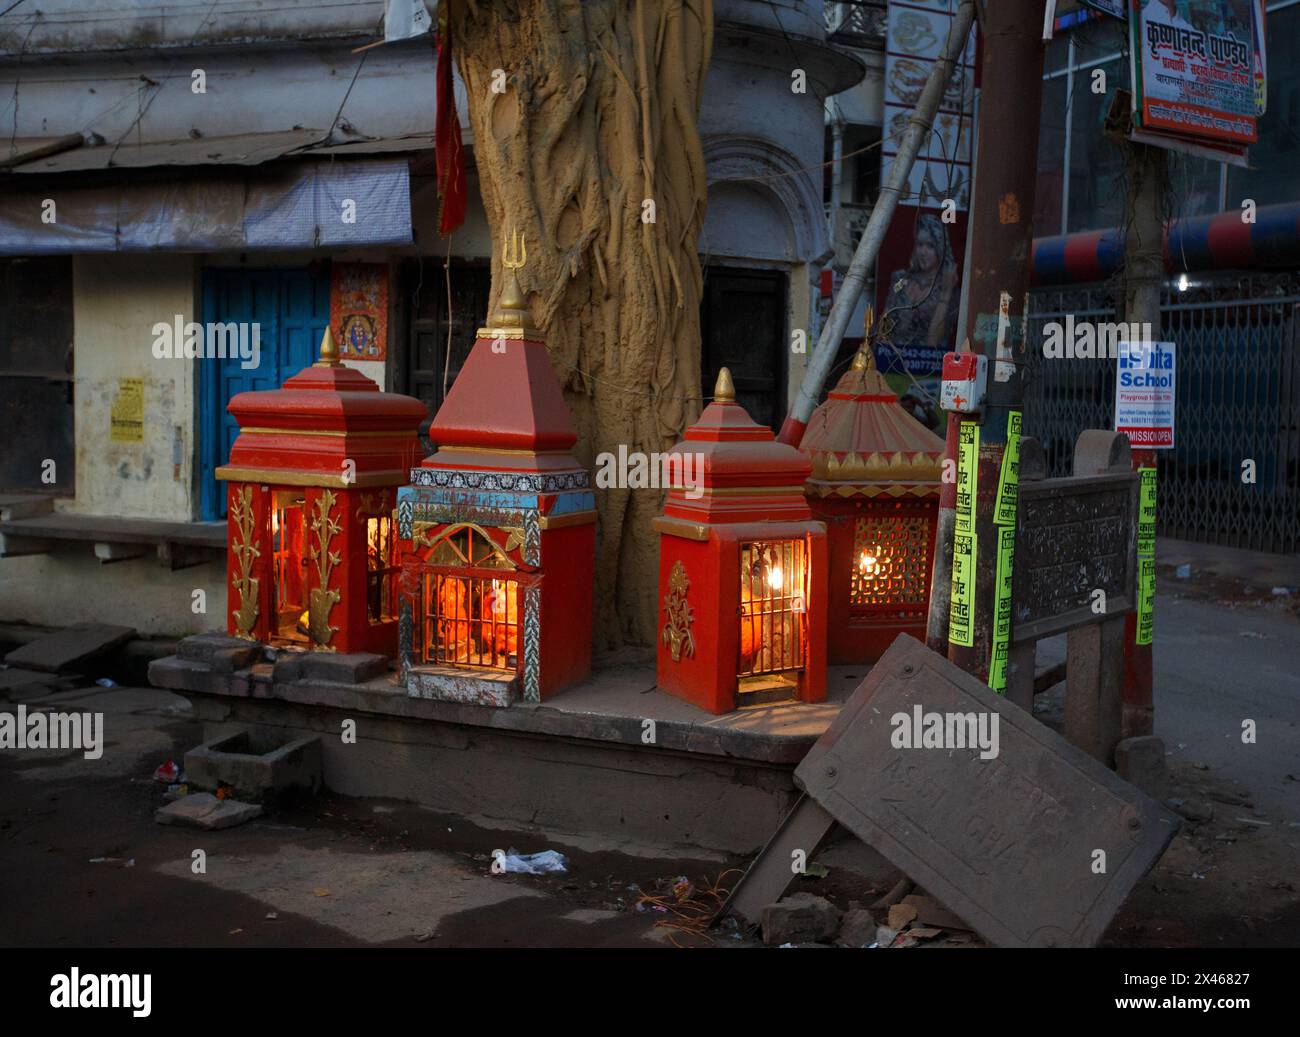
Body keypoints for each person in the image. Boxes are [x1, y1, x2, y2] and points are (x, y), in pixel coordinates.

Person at [882, 212, 959, 349]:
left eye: (930, 246)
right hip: (892, 360)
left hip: (928, 365)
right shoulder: (900, 279)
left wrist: (946, 294)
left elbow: (933, 343)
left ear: (940, 249)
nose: (923, 252)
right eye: (920, 244)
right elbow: (882, 332)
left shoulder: (948, 288)